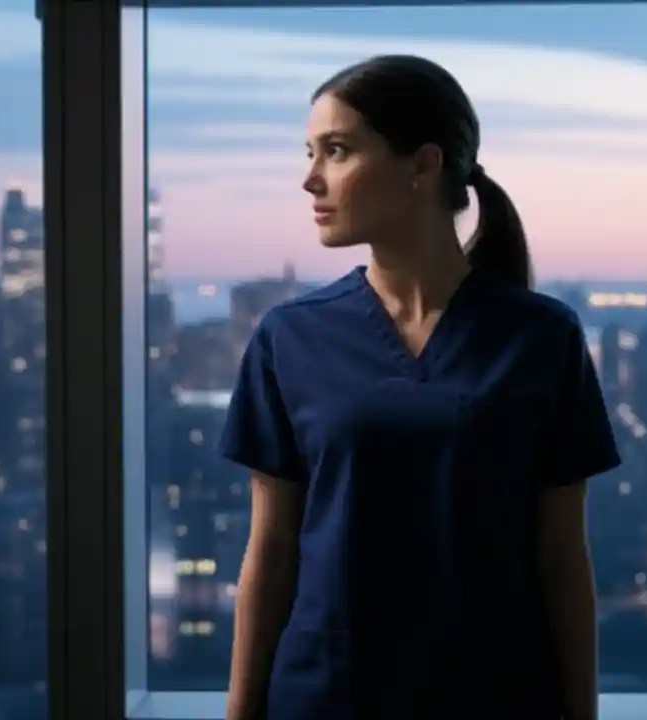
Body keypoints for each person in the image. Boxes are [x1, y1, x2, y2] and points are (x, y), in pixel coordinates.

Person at [218, 54, 622, 720]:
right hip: (324, 696)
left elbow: (562, 558)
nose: (309, 178)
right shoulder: (289, 338)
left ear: (423, 164)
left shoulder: (543, 337)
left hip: (495, 698)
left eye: (337, 151)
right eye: (310, 152)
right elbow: (270, 553)